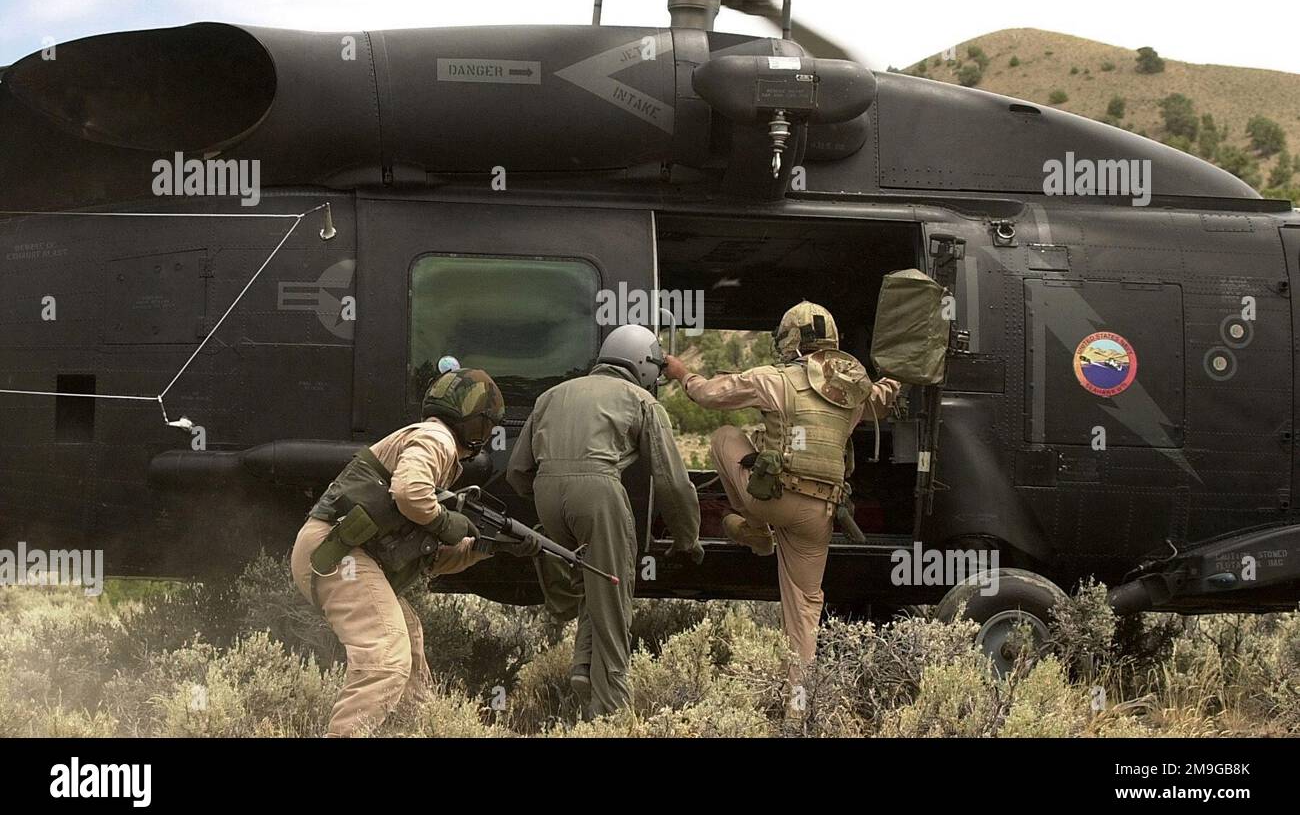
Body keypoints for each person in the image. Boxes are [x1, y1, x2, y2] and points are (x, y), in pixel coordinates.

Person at [663, 301, 901, 684]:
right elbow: (886, 397)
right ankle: (798, 706)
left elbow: (708, 395)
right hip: (822, 511)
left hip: (772, 498)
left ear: (790, 340)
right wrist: (901, 370)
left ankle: (756, 530)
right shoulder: (858, 391)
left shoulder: (773, 379)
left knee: (725, 438)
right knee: (805, 610)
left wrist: (682, 373)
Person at [290, 367, 532, 737]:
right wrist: (444, 522)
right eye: (486, 425)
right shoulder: (437, 439)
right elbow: (409, 493)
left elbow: (430, 558)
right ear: (473, 423)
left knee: (409, 637)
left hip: (342, 553)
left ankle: (410, 729)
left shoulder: (431, 445)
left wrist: (485, 547)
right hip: (340, 553)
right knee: (386, 657)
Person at [507, 324, 703, 719]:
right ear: (643, 365)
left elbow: (517, 472)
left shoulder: (551, 395)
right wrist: (687, 539)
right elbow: (672, 482)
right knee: (613, 595)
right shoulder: (642, 400)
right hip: (596, 492)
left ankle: (583, 667)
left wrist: (552, 494)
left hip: (547, 498)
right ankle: (611, 712)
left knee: (591, 579)